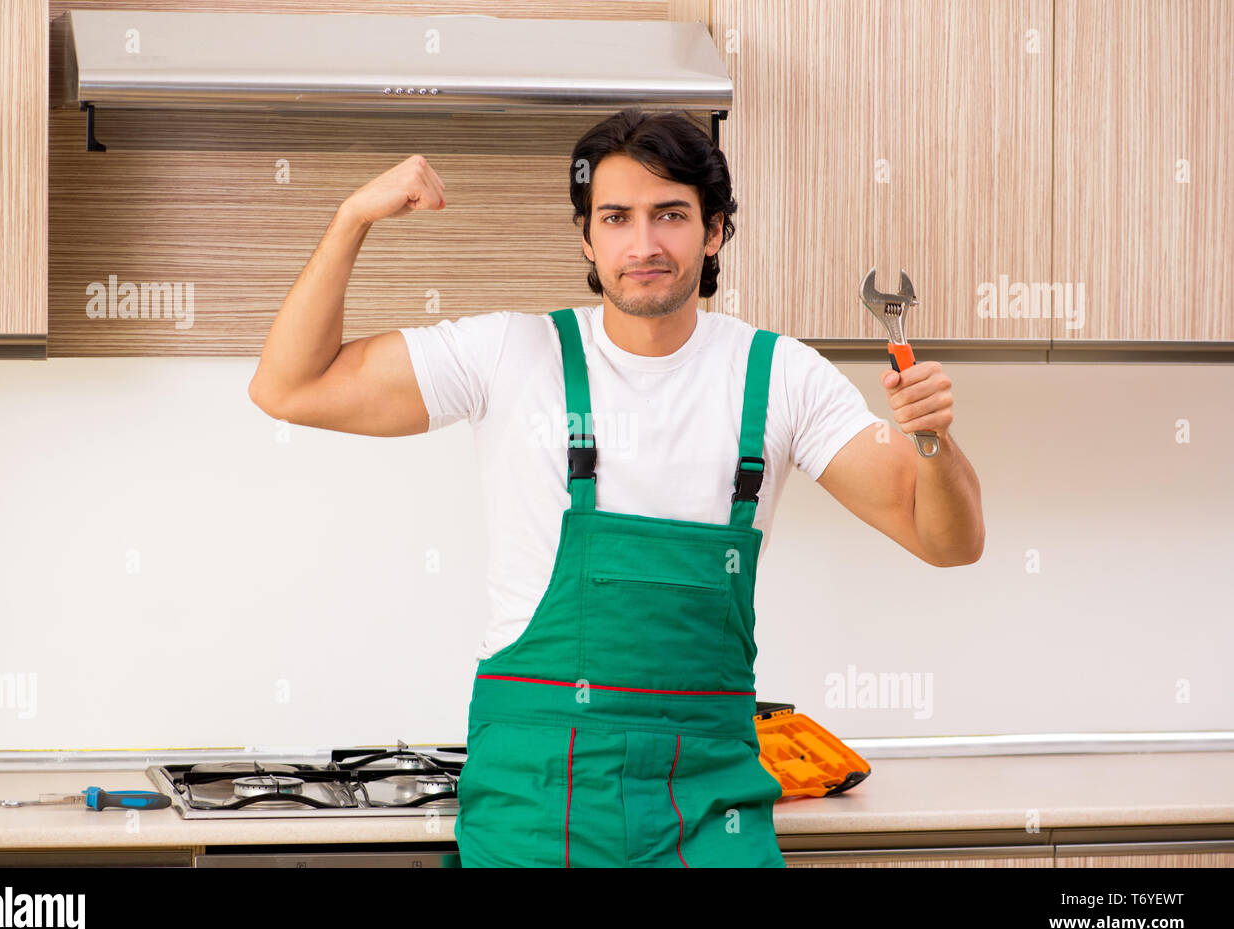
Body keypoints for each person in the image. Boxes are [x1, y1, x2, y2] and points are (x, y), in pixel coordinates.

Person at [248, 108, 985, 867]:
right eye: (616, 217)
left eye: (670, 215)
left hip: (709, 801)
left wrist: (933, 440)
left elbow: (949, 540)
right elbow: (290, 386)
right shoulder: (510, 353)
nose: (643, 244)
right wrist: (350, 218)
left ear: (714, 231)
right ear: (586, 239)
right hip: (535, 796)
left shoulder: (782, 375)